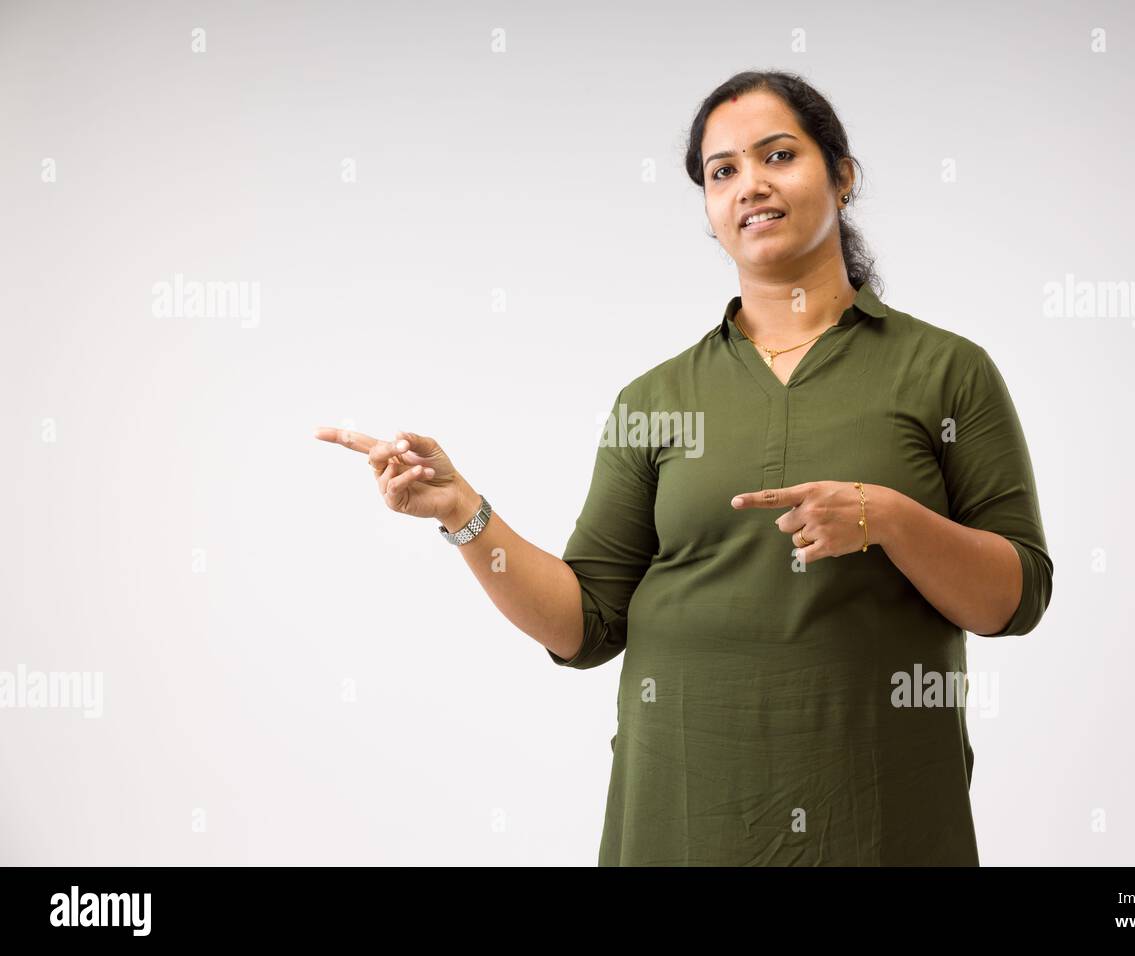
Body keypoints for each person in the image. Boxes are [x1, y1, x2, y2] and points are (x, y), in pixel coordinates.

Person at [314, 69, 1053, 866]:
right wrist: (464, 513)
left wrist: (891, 518)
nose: (750, 186)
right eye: (722, 171)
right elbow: (587, 624)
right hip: (682, 818)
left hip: (878, 819)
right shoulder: (656, 399)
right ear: (707, 209)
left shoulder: (946, 371)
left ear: (842, 177)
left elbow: (1015, 597)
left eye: (778, 155)